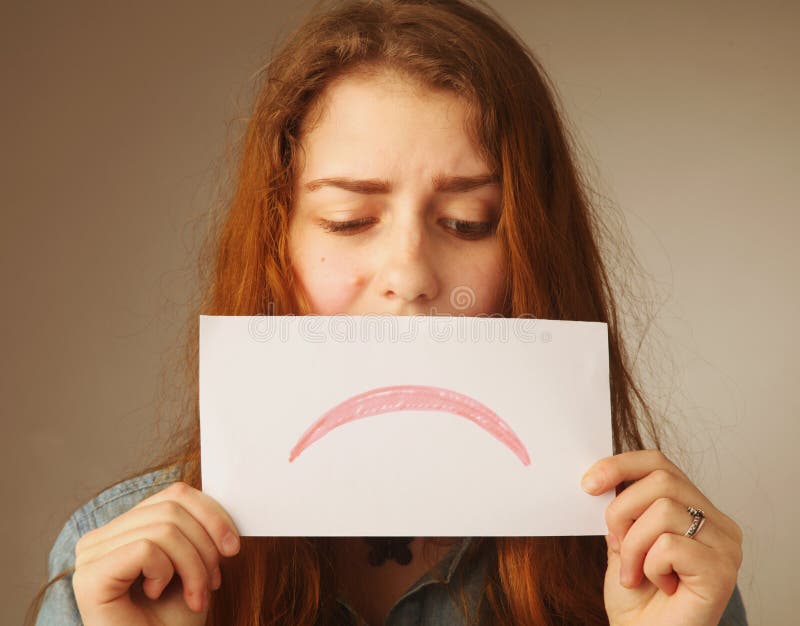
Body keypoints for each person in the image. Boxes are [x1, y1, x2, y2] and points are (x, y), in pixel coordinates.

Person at [27, 1, 748, 624]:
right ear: (276, 246)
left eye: (467, 221)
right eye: (347, 219)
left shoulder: (656, 564)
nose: (408, 277)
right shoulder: (124, 563)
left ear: (533, 251)